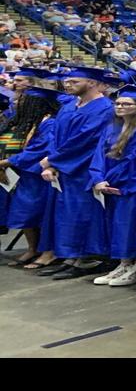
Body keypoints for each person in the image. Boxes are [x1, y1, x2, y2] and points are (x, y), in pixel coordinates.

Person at [40, 67, 117, 280]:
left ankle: (86, 259)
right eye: (67, 81)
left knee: (82, 214)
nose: (68, 84)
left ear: (92, 82)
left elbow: (86, 140)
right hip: (63, 168)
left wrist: (53, 161)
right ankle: (70, 257)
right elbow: (55, 136)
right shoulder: (68, 106)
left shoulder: (104, 108)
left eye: (74, 81)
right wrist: (52, 163)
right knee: (65, 214)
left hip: (83, 169)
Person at [89, 86, 136, 287]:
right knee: (118, 226)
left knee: (134, 226)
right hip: (111, 185)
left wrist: (110, 179)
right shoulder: (111, 126)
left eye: (126, 104)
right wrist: (97, 177)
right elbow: (98, 155)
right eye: (118, 103)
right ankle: (124, 264)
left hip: (133, 185)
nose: (120, 107)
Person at [0, 86, 58, 270]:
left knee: (39, 213)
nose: (17, 104)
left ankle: (48, 251)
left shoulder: (49, 123)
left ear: (35, 104)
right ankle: (33, 249)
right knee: (23, 213)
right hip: (23, 174)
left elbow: (40, 149)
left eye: (22, 101)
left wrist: (8, 162)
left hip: (37, 175)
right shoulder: (31, 121)